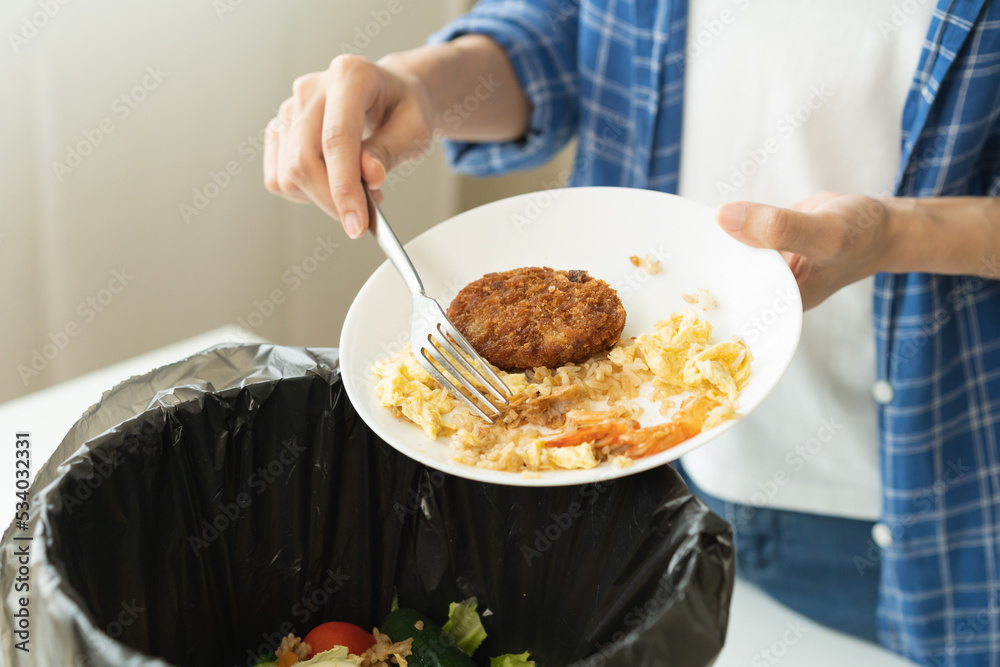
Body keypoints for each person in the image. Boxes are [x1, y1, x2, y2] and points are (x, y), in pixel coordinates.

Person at [263, 1, 1000, 664]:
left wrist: (902, 233)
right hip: (640, 475)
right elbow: (565, 31)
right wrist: (425, 82)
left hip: (936, 516)